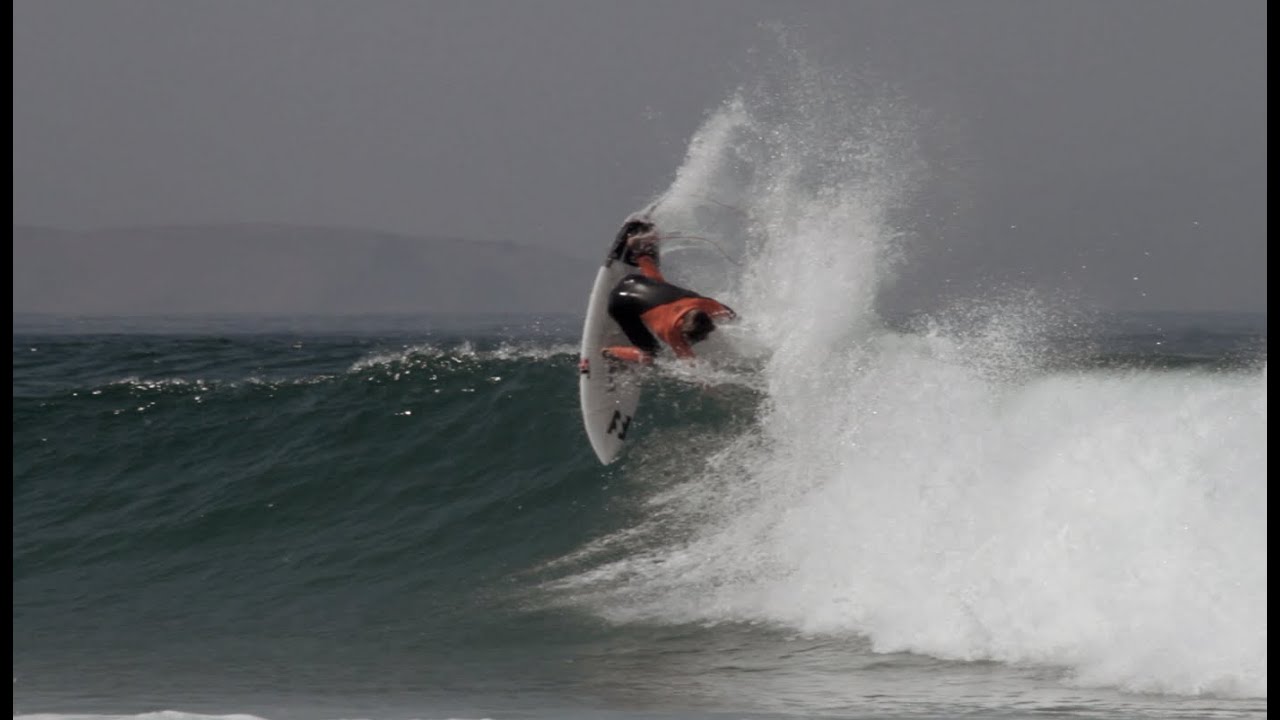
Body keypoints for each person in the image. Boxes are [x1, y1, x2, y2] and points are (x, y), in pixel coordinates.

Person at [602, 218, 737, 365]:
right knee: (652, 355)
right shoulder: (671, 332)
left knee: (660, 287)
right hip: (619, 303)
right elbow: (689, 363)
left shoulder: (704, 305)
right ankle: (609, 352)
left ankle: (640, 252)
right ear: (684, 332)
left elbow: (731, 315)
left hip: (635, 281)